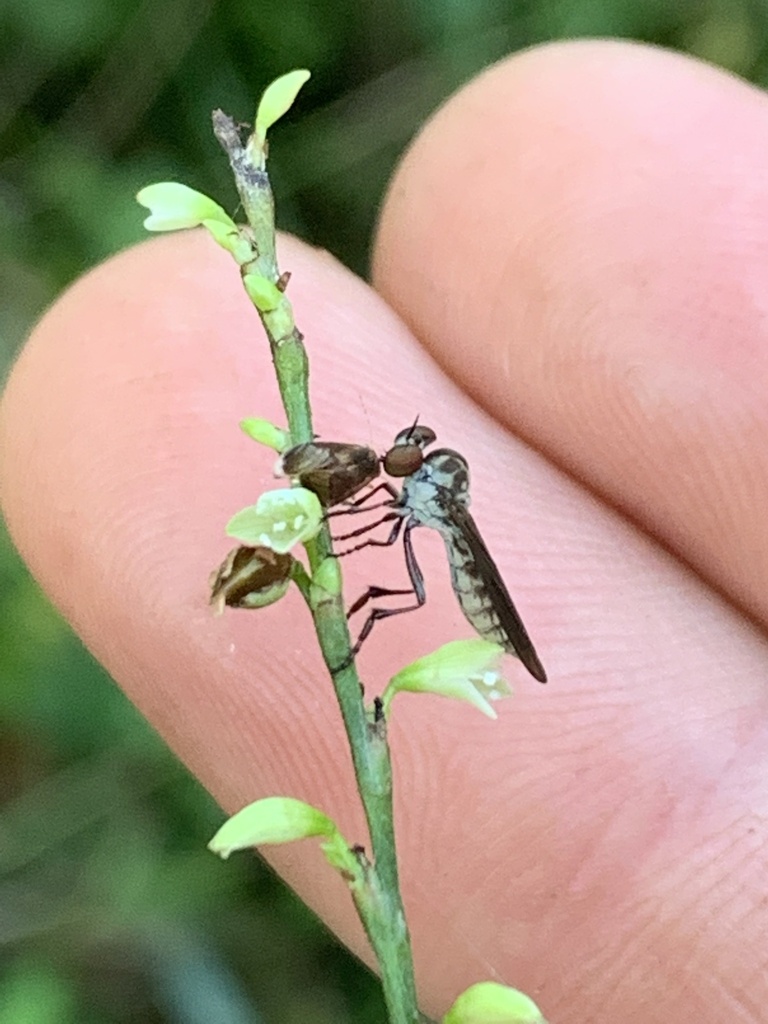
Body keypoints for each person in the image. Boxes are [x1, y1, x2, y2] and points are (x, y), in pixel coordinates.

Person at [2, 40, 767, 1023]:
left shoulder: (426, 507)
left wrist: (355, 589)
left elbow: (406, 556)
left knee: (395, 581)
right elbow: (382, 509)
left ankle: (363, 629)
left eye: (405, 461)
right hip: (419, 537)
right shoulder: (405, 484)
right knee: (382, 560)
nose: (394, 460)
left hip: (467, 583)